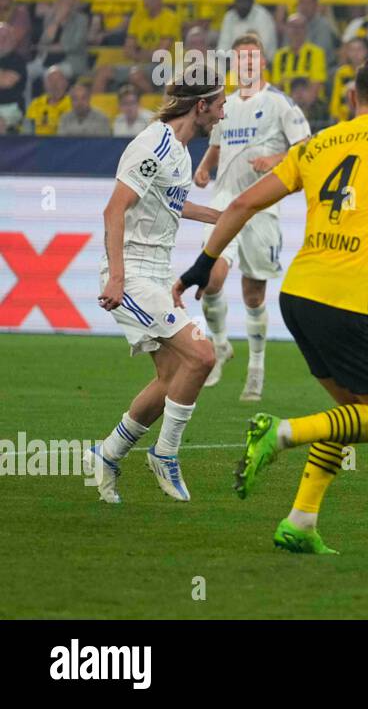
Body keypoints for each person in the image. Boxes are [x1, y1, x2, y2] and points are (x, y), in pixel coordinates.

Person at [174, 56, 368, 555]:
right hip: (344, 302)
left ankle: (301, 520)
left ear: (353, 96)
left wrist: (199, 267)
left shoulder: (317, 144)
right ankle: (281, 432)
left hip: (297, 297)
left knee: (352, 412)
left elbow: (240, 205)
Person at [83, 81, 226, 506]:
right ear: (200, 106)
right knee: (202, 356)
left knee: (170, 379)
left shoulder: (180, 152)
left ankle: (106, 454)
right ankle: (165, 453)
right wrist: (116, 279)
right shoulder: (154, 145)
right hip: (131, 276)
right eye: (218, 107)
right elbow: (114, 209)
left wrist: (225, 216)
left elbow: (172, 205)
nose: (222, 116)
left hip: (156, 276)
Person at [192, 34, 311, 401]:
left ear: (262, 64)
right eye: (240, 57)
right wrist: (203, 168)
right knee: (210, 278)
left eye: (252, 58)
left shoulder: (279, 104)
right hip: (225, 204)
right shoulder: (224, 105)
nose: (246, 63)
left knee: (253, 291)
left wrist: (274, 161)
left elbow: (305, 147)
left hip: (262, 207)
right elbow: (216, 143)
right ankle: (221, 346)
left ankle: (256, 367)